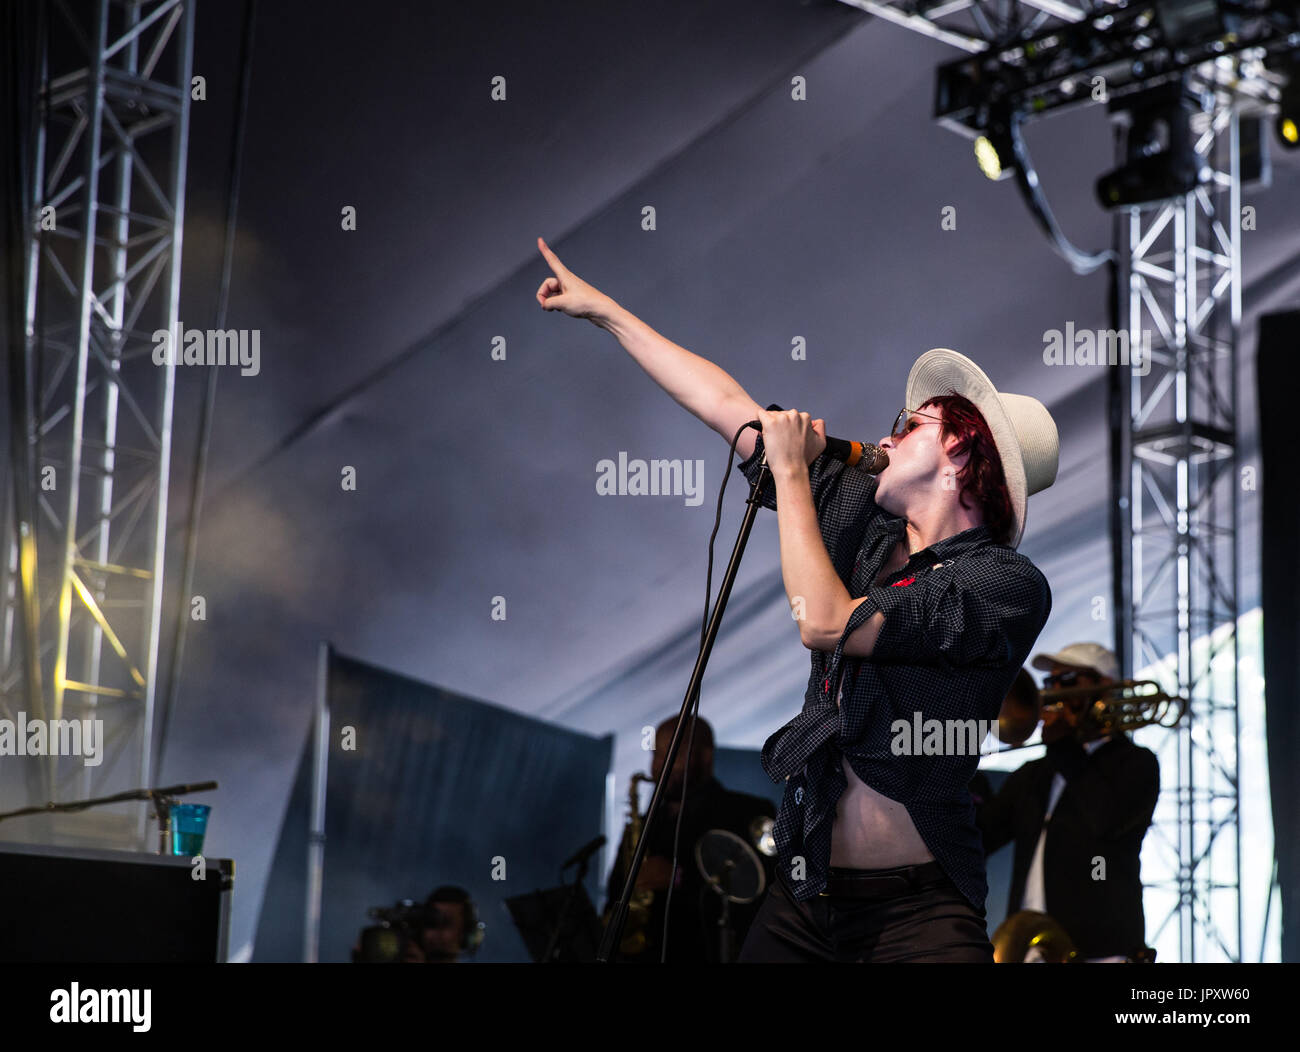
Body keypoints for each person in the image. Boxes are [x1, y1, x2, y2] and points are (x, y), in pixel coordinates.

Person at [537, 238, 1059, 961]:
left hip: (919, 916)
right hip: (806, 898)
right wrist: (607, 314)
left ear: (963, 456)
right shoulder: (869, 526)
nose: (887, 434)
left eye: (912, 427)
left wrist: (789, 476)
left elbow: (825, 622)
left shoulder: (1004, 584)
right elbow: (730, 408)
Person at [972, 643, 1160, 961]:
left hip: (1101, 951)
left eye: (1068, 679)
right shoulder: (1036, 773)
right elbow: (982, 837)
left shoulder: (1136, 763)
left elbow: (1106, 821)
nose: (1055, 691)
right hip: (1030, 949)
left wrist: (1064, 749)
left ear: (1104, 688)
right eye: (1050, 683)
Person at [605, 716, 776, 963]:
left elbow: (758, 901)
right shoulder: (643, 824)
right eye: (656, 755)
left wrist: (678, 879)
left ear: (705, 757)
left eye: (672, 753)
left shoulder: (747, 812)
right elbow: (614, 895)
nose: (658, 766)